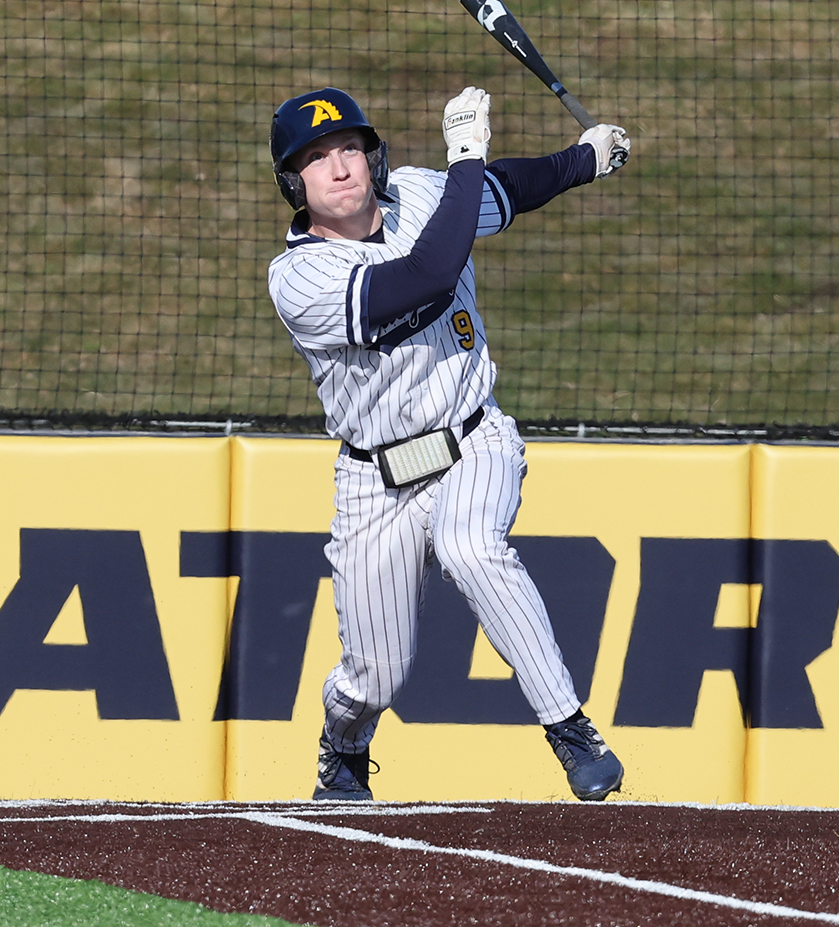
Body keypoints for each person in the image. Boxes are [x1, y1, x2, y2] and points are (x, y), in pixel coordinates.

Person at [266, 85, 630, 801]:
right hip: (377, 477)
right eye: (315, 158)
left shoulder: (428, 195)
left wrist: (585, 159)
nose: (339, 167)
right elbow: (424, 275)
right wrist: (466, 154)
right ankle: (343, 743)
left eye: (350, 148)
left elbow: (510, 188)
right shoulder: (298, 276)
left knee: (473, 546)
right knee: (376, 674)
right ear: (293, 183)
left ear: (375, 158)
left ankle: (570, 729)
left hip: (473, 437)